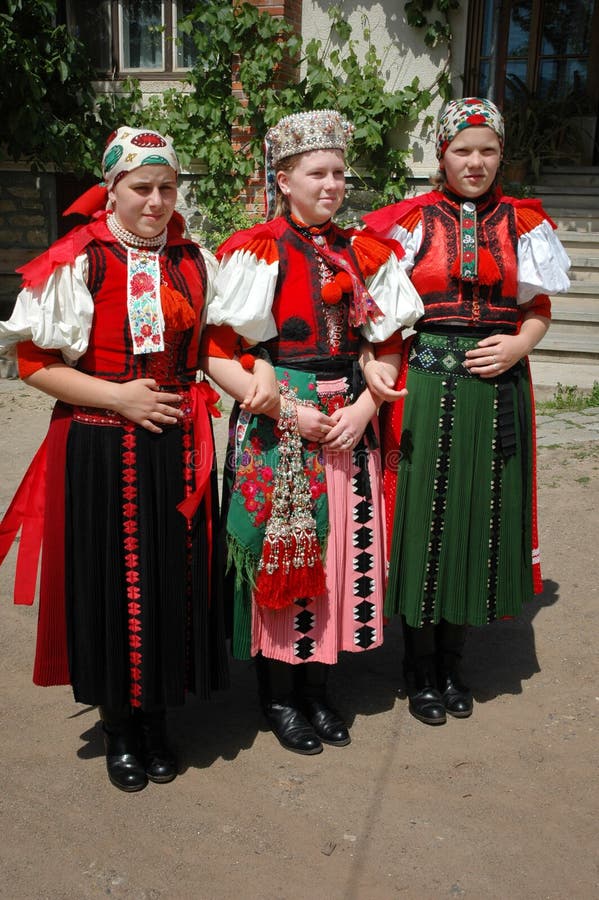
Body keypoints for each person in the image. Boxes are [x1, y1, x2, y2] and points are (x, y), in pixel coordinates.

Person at [0, 126, 275, 791]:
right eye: (141, 187)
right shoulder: (77, 259)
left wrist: (258, 367)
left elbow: (223, 340)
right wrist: (118, 399)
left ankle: (157, 719)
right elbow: (31, 362)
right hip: (98, 443)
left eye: (166, 187)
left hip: (177, 444)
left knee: (170, 579)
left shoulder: (194, 259)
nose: (155, 201)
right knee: (112, 583)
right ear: (112, 190)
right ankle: (121, 725)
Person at [202, 109, 424, 754]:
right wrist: (284, 412)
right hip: (284, 418)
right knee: (287, 553)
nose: (331, 184)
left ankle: (319, 690)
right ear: (284, 179)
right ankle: (277, 696)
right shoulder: (257, 250)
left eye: (337, 173)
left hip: (348, 417)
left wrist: (364, 410)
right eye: (315, 172)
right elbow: (218, 349)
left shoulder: (366, 252)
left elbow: (388, 341)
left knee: (337, 554)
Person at [361, 97, 571, 725]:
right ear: (441, 155)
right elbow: (379, 312)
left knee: (481, 520)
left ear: (501, 154)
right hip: (425, 389)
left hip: (498, 387)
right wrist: (378, 360)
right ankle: (418, 667)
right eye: (462, 150)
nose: (475, 162)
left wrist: (518, 344)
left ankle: (453, 662)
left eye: (487, 150)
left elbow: (538, 309)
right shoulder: (408, 223)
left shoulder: (525, 223)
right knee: (424, 522)